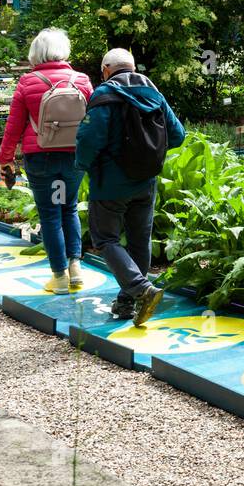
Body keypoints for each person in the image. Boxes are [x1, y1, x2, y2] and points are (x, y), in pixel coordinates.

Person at [75, 49, 186, 326]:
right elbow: (178, 135)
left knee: (105, 239)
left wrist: (83, 165)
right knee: (139, 240)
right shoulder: (153, 92)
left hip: (110, 183)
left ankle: (141, 290)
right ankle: (126, 303)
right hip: (146, 181)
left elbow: (89, 139)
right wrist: (146, 152)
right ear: (133, 67)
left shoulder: (104, 94)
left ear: (106, 70)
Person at [0, 29, 93, 294]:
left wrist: (5, 159)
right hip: (74, 157)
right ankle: (76, 269)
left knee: (51, 214)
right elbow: (92, 121)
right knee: (69, 208)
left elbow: (13, 127)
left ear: (35, 53)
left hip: (41, 157)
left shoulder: (28, 82)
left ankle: (59, 277)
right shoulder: (82, 80)